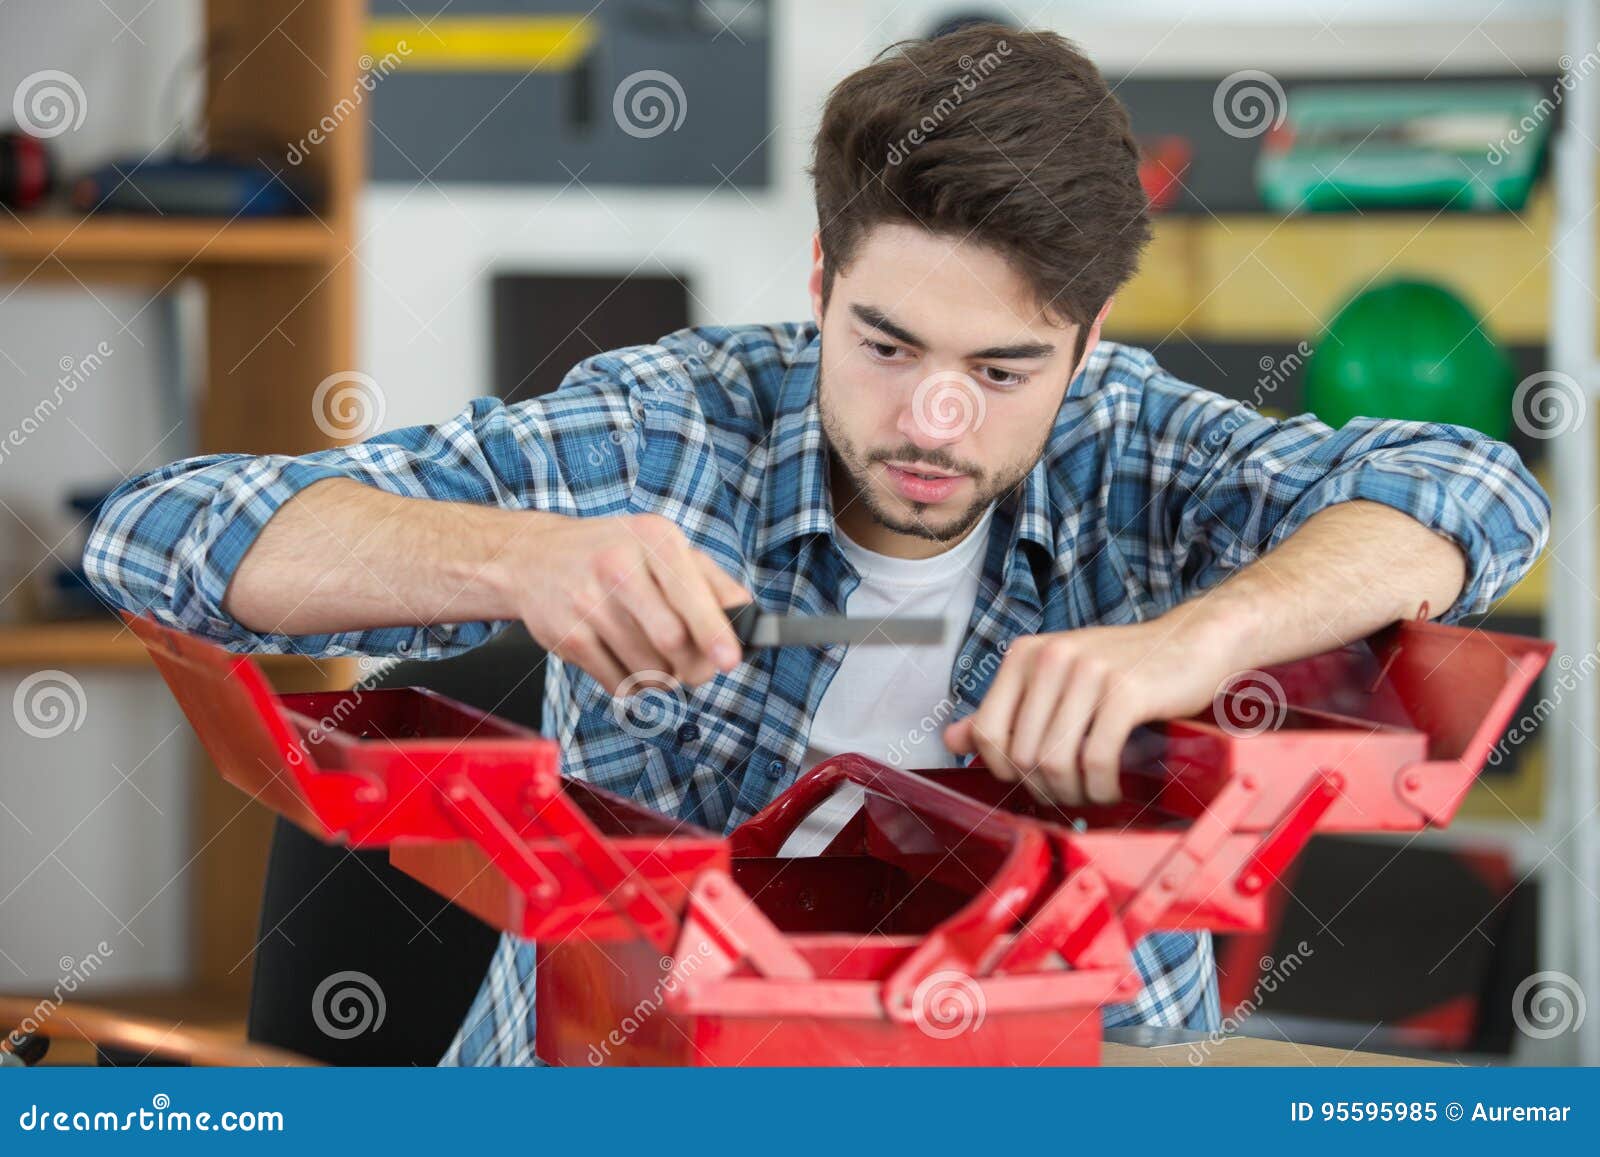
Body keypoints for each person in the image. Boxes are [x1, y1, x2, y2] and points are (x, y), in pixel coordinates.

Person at [83, 23, 1549, 1065]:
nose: (932, 418)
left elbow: (1476, 495)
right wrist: (513, 561)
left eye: (1001, 369)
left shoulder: (1136, 447)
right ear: (819, 278)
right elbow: (163, 534)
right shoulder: (671, 425)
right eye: (887, 340)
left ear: (1089, 341)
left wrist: (1197, 640)